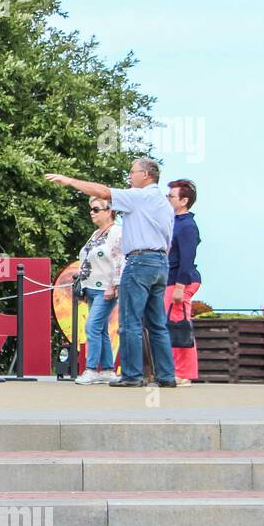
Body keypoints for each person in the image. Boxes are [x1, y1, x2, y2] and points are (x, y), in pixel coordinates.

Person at [45, 157, 176, 387]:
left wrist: (69, 181)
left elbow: (103, 192)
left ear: (145, 175)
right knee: (157, 324)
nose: (129, 176)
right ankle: (166, 375)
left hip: (140, 261)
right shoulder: (164, 203)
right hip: (160, 262)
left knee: (130, 322)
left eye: (132, 172)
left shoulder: (139, 196)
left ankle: (132, 375)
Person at [74, 197, 124, 384]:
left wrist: (114, 284)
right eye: (91, 209)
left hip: (106, 288)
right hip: (91, 287)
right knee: (100, 328)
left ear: (109, 211)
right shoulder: (96, 234)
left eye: (96, 209)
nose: (92, 212)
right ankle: (108, 369)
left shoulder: (116, 232)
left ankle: (92, 368)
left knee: (92, 326)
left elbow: (120, 260)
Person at [166, 179, 201, 386]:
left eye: (171, 196)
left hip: (180, 281)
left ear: (184, 200)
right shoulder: (174, 222)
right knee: (170, 325)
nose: (168, 199)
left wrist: (180, 287)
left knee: (179, 326)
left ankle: (184, 373)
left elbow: (188, 257)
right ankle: (174, 370)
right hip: (170, 280)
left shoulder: (187, 225)